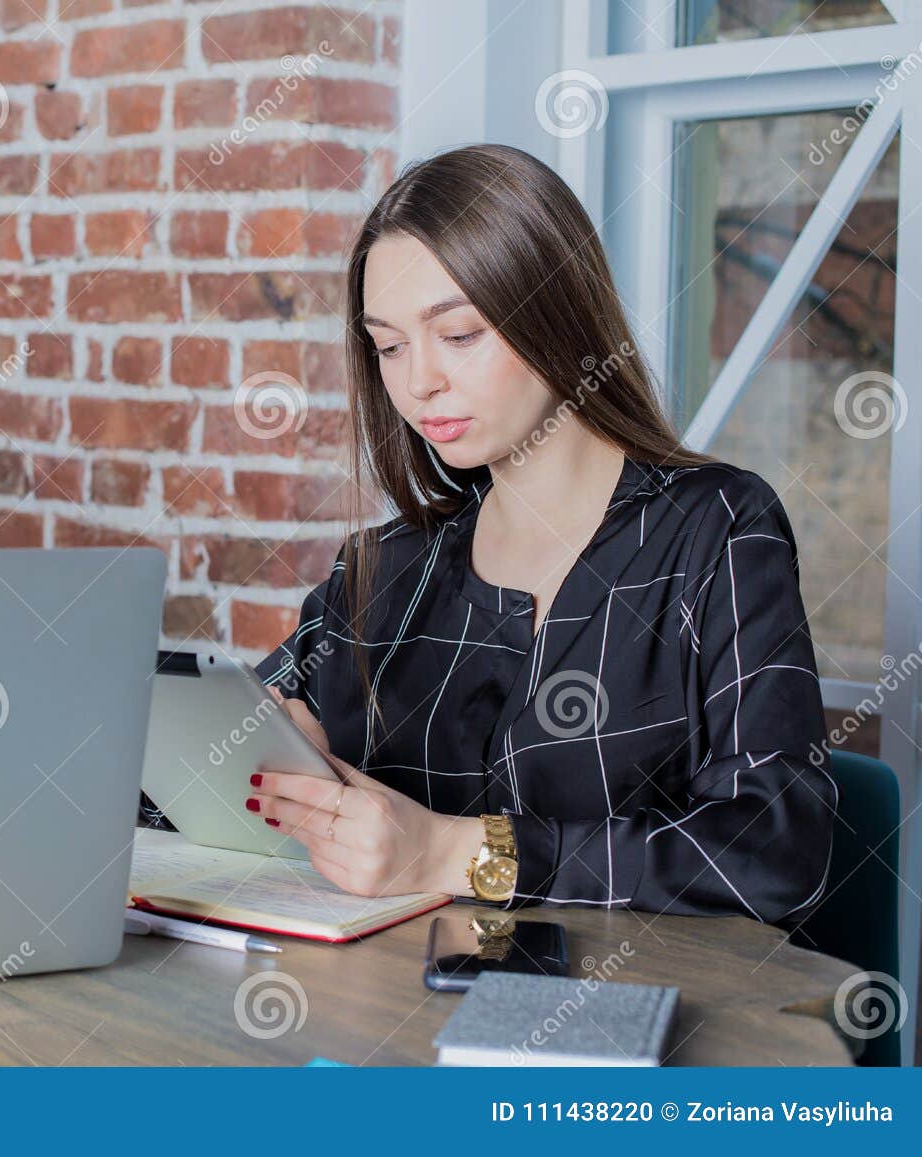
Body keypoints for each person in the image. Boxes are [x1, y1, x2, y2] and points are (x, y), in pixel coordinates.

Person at [246, 144, 835, 922]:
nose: (417, 381)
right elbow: (177, 777)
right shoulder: (381, 570)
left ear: (555, 312)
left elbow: (778, 849)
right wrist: (267, 760)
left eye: (457, 334)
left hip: (625, 1021)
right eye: (388, 346)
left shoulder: (716, 529)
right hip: (382, 1022)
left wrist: (451, 852)